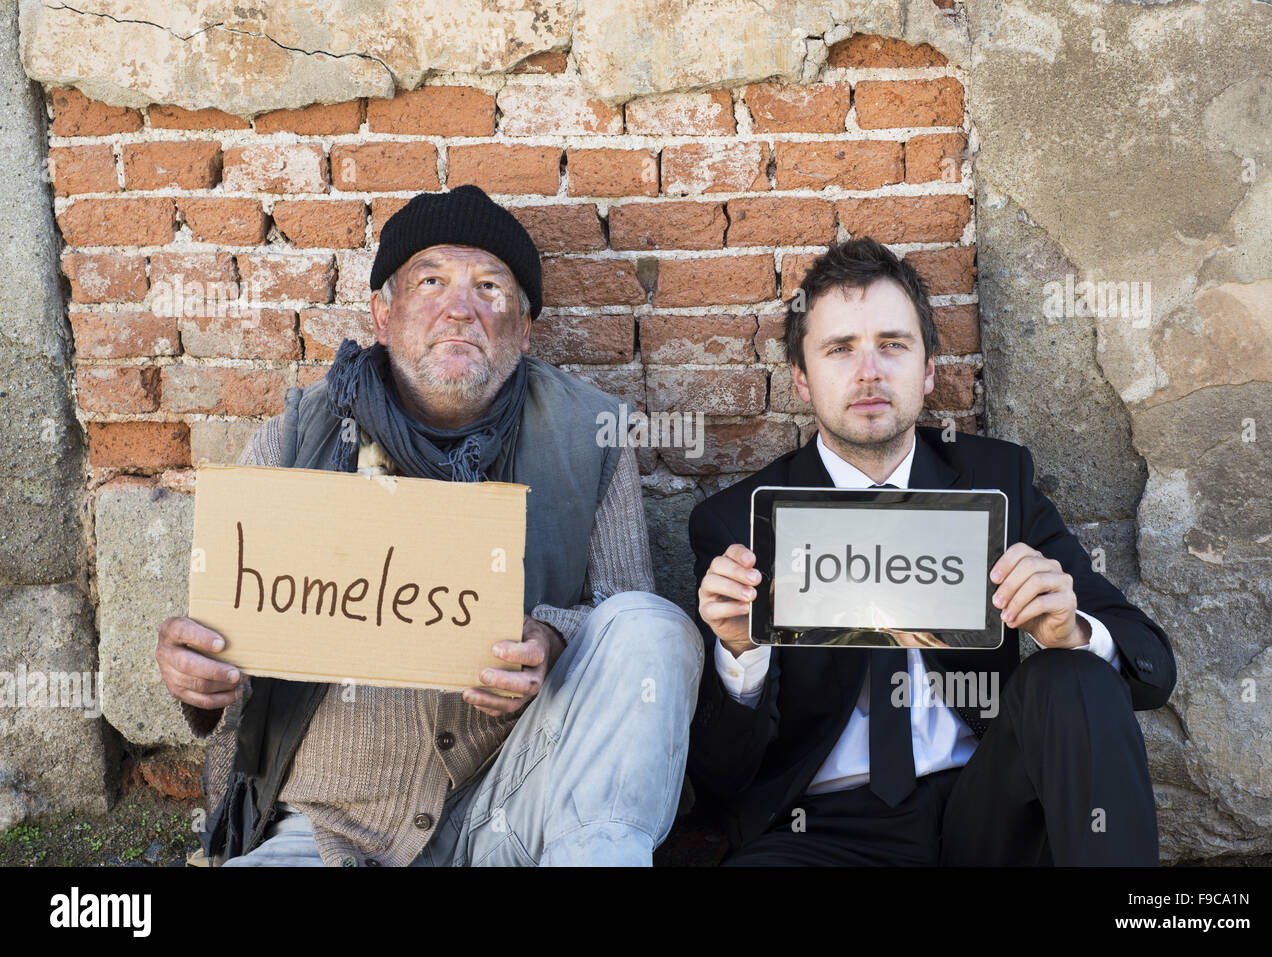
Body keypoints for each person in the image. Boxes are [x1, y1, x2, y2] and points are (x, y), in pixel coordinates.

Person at [156, 185, 703, 867]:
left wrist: (555, 638)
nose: (461, 308)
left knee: (653, 622)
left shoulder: (590, 436)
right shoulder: (295, 439)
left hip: (513, 809)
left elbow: (625, 634)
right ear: (383, 315)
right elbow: (227, 645)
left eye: (490, 287)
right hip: (329, 832)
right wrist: (197, 676)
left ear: (524, 328)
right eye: (432, 281)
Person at [688, 237, 1175, 866]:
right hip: (823, 833)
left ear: (928, 371)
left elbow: (1151, 667)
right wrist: (739, 657)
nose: (869, 371)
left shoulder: (996, 481)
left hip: (988, 810)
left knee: (1074, 673)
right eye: (840, 349)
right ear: (803, 381)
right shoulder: (739, 523)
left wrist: (1073, 630)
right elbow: (718, 778)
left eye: (893, 345)